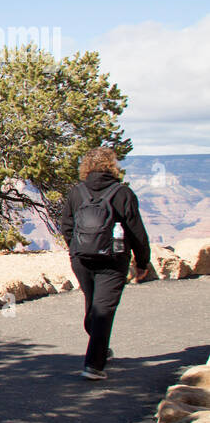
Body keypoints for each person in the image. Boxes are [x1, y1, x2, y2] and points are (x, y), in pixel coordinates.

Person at [58, 147, 151, 380]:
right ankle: (94, 366)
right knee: (104, 310)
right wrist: (142, 261)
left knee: (94, 307)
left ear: (86, 167)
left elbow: (66, 226)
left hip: (82, 259)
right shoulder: (123, 193)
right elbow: (136, 231)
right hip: (113, 260)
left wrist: (76, 250)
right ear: (112, 166)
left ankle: (99, 346)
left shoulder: (76, 192)